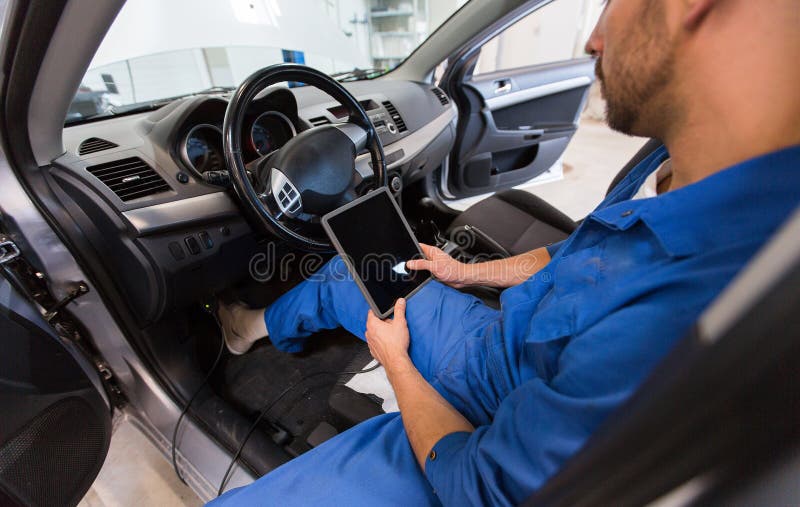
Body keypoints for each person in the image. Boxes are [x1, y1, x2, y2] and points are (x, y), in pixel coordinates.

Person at [210, 0, 800, 505]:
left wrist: (396, 364)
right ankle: (252, 329)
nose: (594, 39)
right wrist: (464, 273)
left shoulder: (702, 304)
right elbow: (580, 250)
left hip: (481, 451)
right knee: (351, 269)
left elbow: (477, 485)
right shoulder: (671, 158)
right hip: (508, 350)